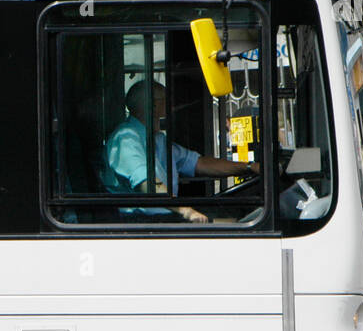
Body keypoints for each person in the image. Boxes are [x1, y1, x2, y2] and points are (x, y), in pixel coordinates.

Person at [101, 79, 259, 223]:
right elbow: (148, 184)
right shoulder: (126, 139)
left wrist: (248, 167)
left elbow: (199, 163)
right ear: (152, 106)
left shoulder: (157, 139)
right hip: (139, 222)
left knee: (236, 213)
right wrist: (187, 211)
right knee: (229, 223)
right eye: (165, 100)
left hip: (164, 216)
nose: (171, 105)